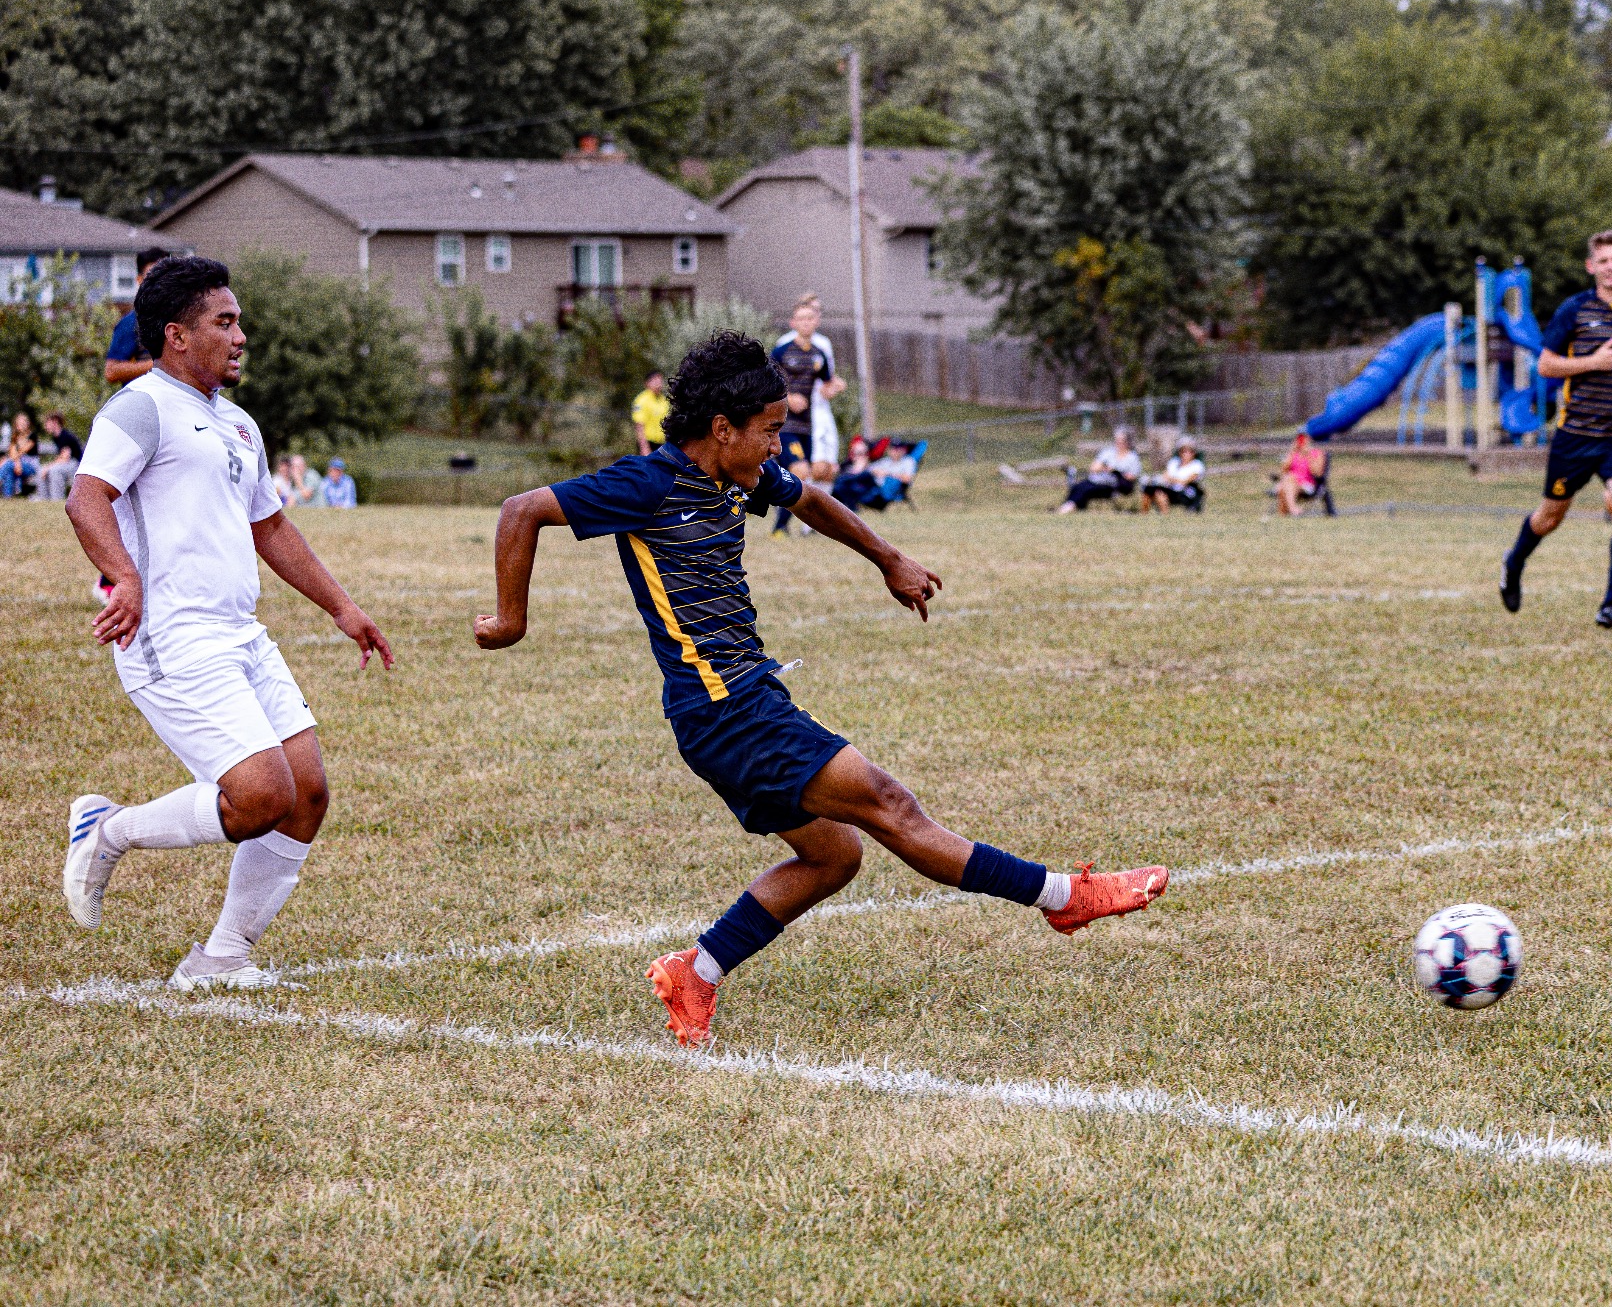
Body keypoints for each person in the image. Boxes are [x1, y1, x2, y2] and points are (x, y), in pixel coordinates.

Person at [473, 331, 1166, 1047]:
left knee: (835, 856)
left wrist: (887, 556)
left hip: (744, 702)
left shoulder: (736, 476)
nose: (777, 447)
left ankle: (697, 972)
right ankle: (1064, 896)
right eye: (770, 431)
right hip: (726, 711)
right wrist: (510, 620)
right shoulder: (646, 484)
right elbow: (522, 509)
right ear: (722, 429)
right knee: (891, 805)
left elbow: (809, 501)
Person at [62, 255, 394, 991]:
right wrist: (126, 578)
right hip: (170, 635)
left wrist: (343, 607)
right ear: (177, 336)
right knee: (260, 797)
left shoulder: (237, 423)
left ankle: (220, 958)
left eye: (239, 320)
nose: (241, 335)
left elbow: (270, 528)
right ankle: (107, 828)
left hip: (239, 630)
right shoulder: (140, 407)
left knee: (306, 794)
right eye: (225, 321)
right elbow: (87, 498)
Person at [1500, 228, 1612, 629]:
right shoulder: (1574, 310)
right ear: (1591, 267)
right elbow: (1546, 365)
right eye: (1602, 261)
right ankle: (1514, 561)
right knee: (1551, 517)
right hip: (1576, 435)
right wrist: (1592, 363)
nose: (1610, 268)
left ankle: (1611, 603)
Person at [768, 295, 845, 536]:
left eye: (810, 318)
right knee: (800, 471)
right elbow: (767, 383)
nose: (806, 323)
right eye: (801, 319)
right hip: (785, 424)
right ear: (793, 323)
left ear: (816, 322)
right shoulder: (781, 351)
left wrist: (835, 387)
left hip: (808, 425)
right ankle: (786, 526)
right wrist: (788, 397)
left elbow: (826, 384)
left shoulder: (819, 354)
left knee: (805, 476)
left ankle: (792, 526)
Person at [103, 246, 173, 387]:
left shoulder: (183, 318)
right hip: (145, 402)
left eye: (165, 275)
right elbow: (111, 371)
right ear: (140, 280)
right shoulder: (132, 322)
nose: (160, 282)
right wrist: (159, 366)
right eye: (152, 276)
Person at [1055, 427, 1142, 514]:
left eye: (1122, 440)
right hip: (1098, 479)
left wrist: (1116, 472)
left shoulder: (1132, 457)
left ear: (1128, 442)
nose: (1119, 443)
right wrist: (1105, 468)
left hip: (1114, 485)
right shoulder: (1108, 452)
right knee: (1077, 487)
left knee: (1087, 489)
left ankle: (1068, 508)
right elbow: (1093, 467)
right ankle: (1072, 508)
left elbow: (1132, 476)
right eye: (1117, 440)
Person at [832, 436, 918, 512]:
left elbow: (907, 478)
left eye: (899, 448)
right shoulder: (886, 461)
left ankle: (840, 482)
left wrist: (886, 473)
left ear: (904, 449)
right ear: (889, 450)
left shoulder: (908, 461)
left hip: (882, 492)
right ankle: (842, 493)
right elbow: (869, 469)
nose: (896, 451)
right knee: (843, 486)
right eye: (893, 448)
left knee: (861, 476)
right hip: (871, 486)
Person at [1272, 432, 1327, 516]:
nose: (1303, 442)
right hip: (1290, 483)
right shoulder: (1294, 454)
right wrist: (1292, 452)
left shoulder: (1317, 453)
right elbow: (1283, 471)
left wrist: (1308, 456)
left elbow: (1318, 473)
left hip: (1308, 485)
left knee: (1284, 484)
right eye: (1300, 440)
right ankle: (1291, 510)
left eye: (1305, 439)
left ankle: (1290, 509)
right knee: (1288, 480)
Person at [1144, 437, 1205, 512]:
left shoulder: (1197, 465)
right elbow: (1165, 475)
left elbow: (1186, 481)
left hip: (1186, 492)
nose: (1185, 454)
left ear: (1194, 453)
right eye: (1183, 451)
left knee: (1159, 491)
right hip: (1171, 489)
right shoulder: (1174, 462)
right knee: (1150, 489)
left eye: (1189, 451)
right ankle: (1148, 515)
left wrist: (1171, 479)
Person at [35, 412, 82, 502]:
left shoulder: (65, 436)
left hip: (76, 465)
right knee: (41, 469)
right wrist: (47, 467)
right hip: (68, 463)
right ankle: (43, 499)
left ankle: (56, 499)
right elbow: (61, 456)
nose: (45, 426)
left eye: (47, 423)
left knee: (54, 470)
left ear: (55, 422)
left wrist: (49, 467)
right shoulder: (56, 437)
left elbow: (65, 457)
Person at [632, 370, 669, 456]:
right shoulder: (641, 400)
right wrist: (644, 448)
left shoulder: (664, 400)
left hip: (663, 444)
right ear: (647, 383)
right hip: (649, 443)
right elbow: (639, 425)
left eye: (660, 380)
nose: (658, 383)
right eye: (655, 380)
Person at [2, 414, 38, 497]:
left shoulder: (32, 436)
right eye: (19, 424)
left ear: (27, 424)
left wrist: (15, 461)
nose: (21, 426)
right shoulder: (14, 437)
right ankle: (7, 497)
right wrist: (17, 463)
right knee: (9, 471)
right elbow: (12, 453)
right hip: (16, 464)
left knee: (7, 464)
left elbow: (22, 451)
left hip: (31, 465)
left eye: (23, 424)